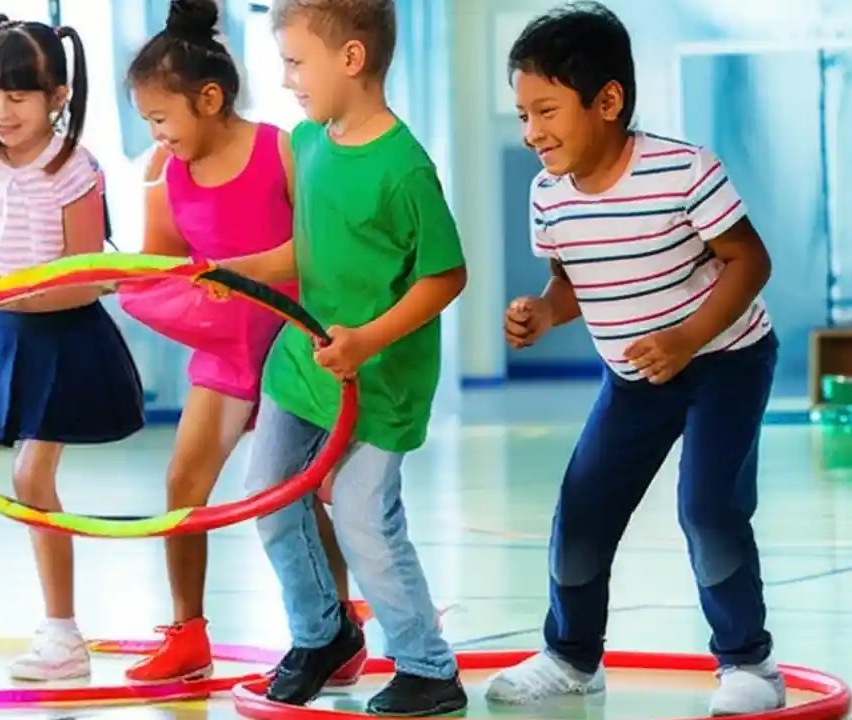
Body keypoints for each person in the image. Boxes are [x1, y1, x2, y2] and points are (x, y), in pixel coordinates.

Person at [491, 3, 783, 716]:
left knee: (709, 509)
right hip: (634, 378)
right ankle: (571, 657)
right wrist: (541, 312)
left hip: (727, 364)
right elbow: (571, 286)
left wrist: (687, 338)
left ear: (609, 101)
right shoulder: (547, 195)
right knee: (582, 513)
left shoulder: (684, 171)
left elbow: (750, 262)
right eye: (523, 115)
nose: (532, 133)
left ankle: (750, 665)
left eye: (546, 111)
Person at [222, 0, 468, 715]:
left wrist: (367, 340)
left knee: (364, 518)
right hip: (302, 366)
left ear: (351, 59)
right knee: (267, 495)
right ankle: (322, 634)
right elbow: (307, 249)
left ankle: (428, 667)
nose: (287, 78)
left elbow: (446, 274)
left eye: (297, 62)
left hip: (379, 378)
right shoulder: (308, 142)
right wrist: (235, 272)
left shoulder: (404, 168)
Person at [118, 0, 360, 686]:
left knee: (303, 495)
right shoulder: (164, 180)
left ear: (211, 98)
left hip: (292, 349)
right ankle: (187, 631)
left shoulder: (278, 148)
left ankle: (335, 625)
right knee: (182, 485)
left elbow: (317, 247)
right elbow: (160, 270)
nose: (157, 135)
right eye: (147, 123)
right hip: (226, 356)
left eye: (162, 119)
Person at [0, 15, 145, 682]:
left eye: (17, 97)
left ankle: (63, 636)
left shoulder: (75, 169)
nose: (0, 111)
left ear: (57, 97)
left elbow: (85, 277)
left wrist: (5, 296)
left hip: (60, 334)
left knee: (31, 478)